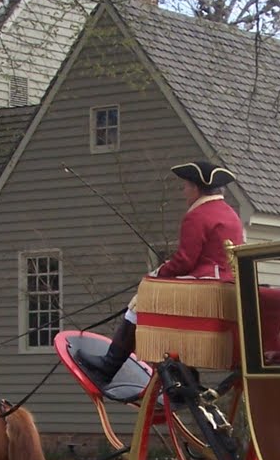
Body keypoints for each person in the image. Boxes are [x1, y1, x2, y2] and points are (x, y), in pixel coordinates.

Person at [82, 160, 244, 387]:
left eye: (186, 186)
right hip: (224, 285)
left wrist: (159, 273)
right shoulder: (230, 213)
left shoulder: (198, 215)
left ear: (196, 188)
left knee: (142, 300)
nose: (183, 191)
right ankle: (185, 377)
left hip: (206, 286)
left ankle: (108, 367)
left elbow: (185, 261)